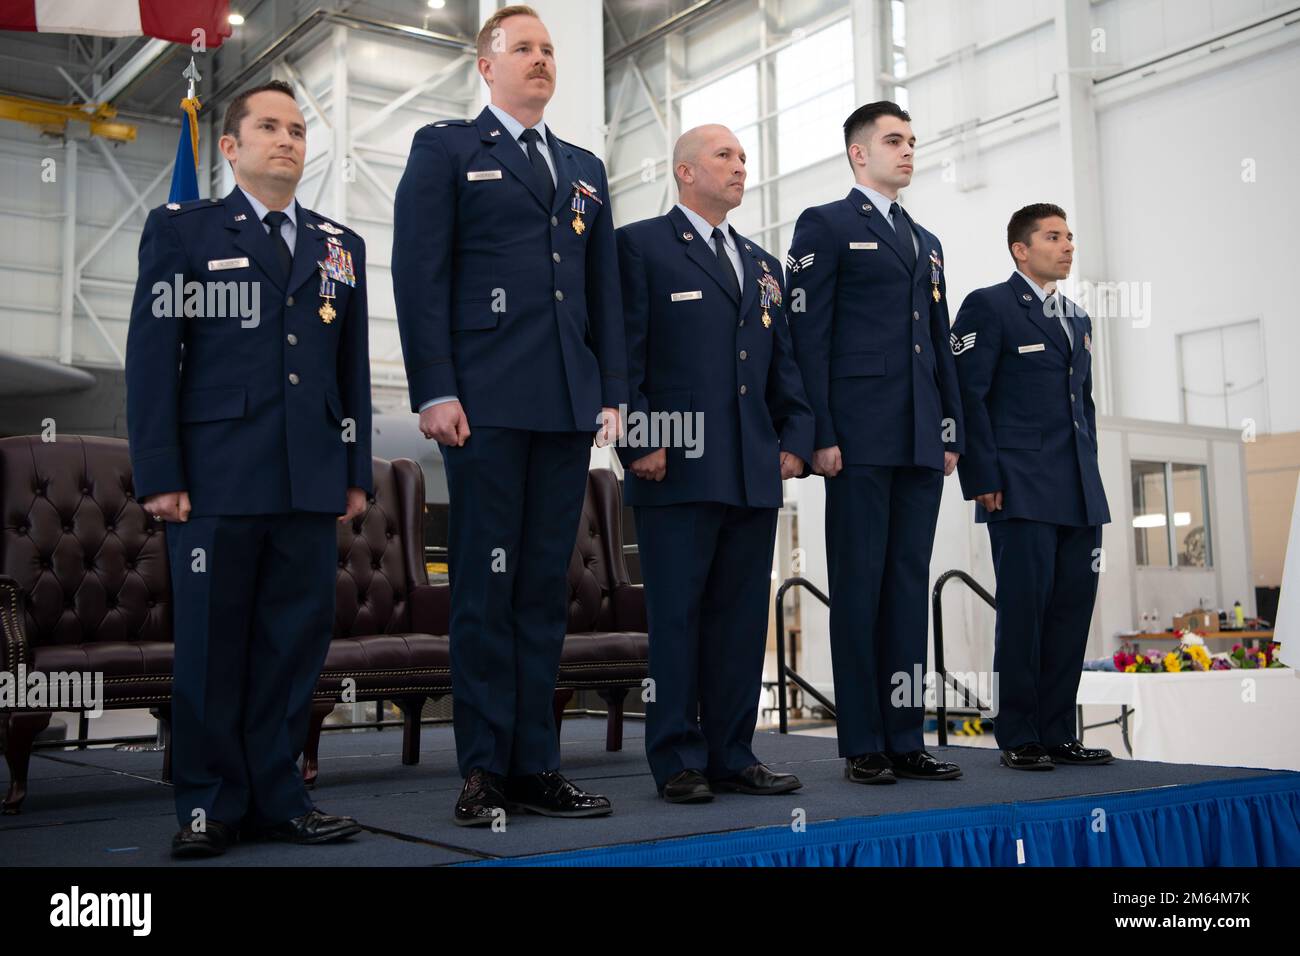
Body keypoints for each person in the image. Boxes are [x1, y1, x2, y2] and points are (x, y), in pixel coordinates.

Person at [392, 5, 626, 825]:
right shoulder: (448, 148)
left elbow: (603, 294)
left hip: (565, 405)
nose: (540, 60)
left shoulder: (585, 166)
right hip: (484, 406)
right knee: (486, 594)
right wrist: (435, 387)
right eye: (523, 48)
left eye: (549, 49)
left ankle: (536, 767)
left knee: (539, 592)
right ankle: (484, 770)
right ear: (486, 66)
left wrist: (613, 391)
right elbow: (419, 273)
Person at [125, 80, 371, 857]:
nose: (287, 140)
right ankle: (209, 806)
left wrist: (354, 469)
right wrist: (160, 471)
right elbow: (151, 358)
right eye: (268, 127)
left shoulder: (341, 246)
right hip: (216, 478)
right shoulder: (183, 230)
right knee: (210, 648)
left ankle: (280, 798)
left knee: (293, 648)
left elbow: (351, 372)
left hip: (307, 479)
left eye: (297, 129)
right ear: (229, 147)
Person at [616, 125, 814, 803]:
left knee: (737, 621)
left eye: (742, 158)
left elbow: (782, 363)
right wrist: (638, 436)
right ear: (684, 172)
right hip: (674, 464)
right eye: (724, 156)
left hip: (751, 467)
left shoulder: (763, 265)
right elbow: (625, 353)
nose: (739, 167)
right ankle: (676, 758)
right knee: (677, 619)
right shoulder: (639, 246)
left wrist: (796, 434)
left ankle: (733, 752)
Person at [787, 101, 964, 785]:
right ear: (860, 154)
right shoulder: (826, 225)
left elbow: (939, 344)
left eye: (913, 141)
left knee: (905, 591)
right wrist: (820, 435)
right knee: (859, 589)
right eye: (894, 140)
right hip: (857, 439)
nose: (908, 151)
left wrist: (951, 429)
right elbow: (809, 336)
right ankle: (863, 740)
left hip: (920, 439)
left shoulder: (927, 241)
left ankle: (904, 735)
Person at [949, 203, 1114, 771]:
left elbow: (1083, 409)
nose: (1067, 245)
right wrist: (983, 476)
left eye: (1070, 236)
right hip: (1018, 486)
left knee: (1070, 611)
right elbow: (969, 395)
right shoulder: (988, 306)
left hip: (1077, 489)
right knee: (1024, 611)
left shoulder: (1078, 318)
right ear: (1022, 249)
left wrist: (1091, 478)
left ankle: (1057, 731)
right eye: (1053, 236)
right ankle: (1019, 733)